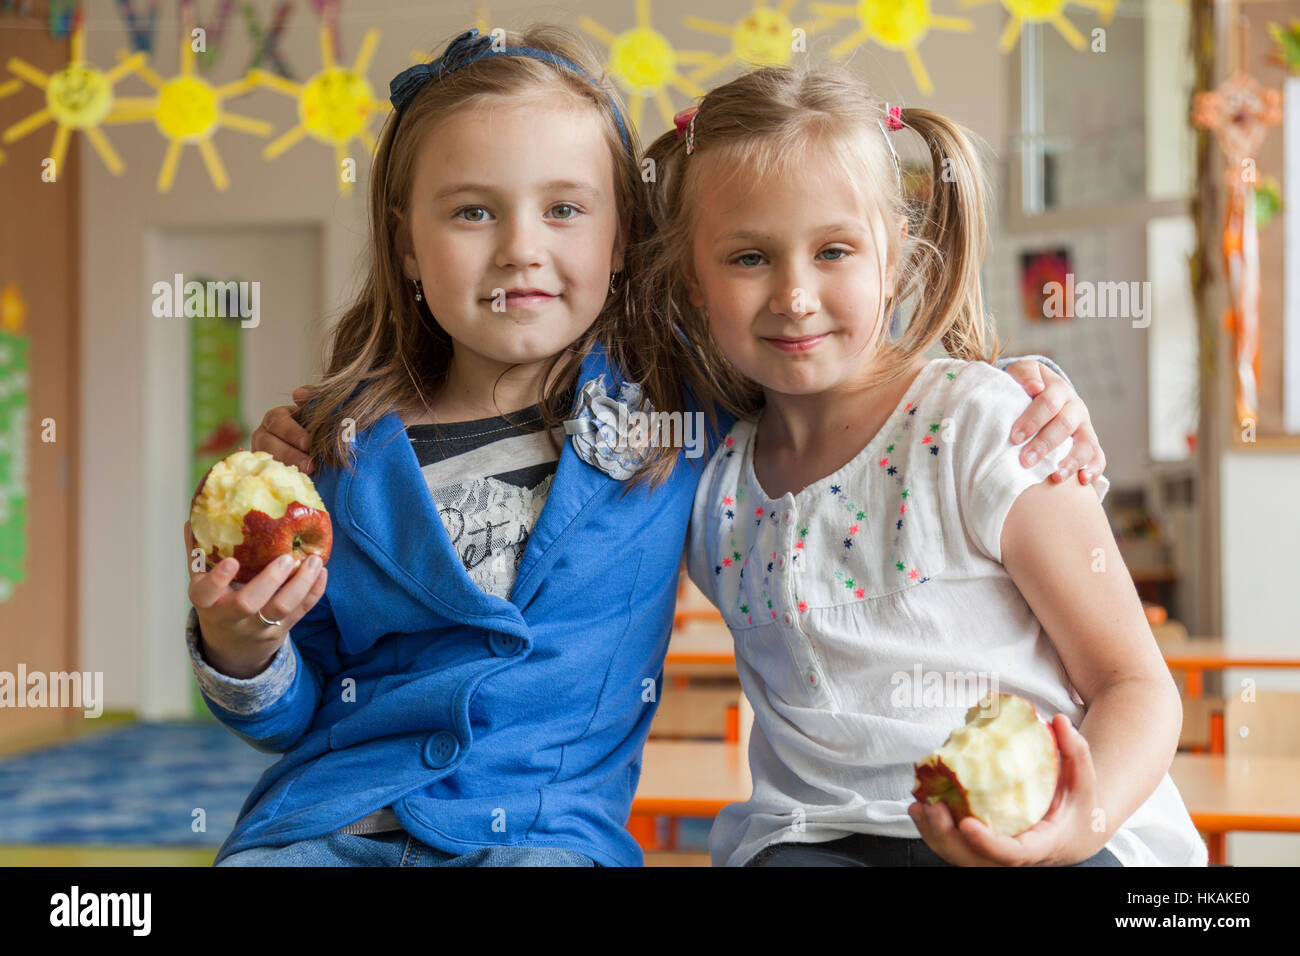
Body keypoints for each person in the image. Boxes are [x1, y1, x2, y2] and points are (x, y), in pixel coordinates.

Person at [187, 27, 1108, 867]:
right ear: (409, 246)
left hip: (546, 841)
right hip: (321, 829)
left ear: (624, 238)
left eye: (564, 210)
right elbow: (294, 710)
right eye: (472, 213)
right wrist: (243, 649)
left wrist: (1015, 381)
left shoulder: (678, 416)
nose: (519, 249)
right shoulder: (339, 452)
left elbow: (828, 369)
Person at [634, 67, 1207, 866]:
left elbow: (1134, 688)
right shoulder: (710, 482)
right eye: (748, 258)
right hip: (817, 836)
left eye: (834, 250)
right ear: (692, 279)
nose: (795, 295)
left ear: (896, 258)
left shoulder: (983, 423)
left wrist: (1076, 825)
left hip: (1044, 828)